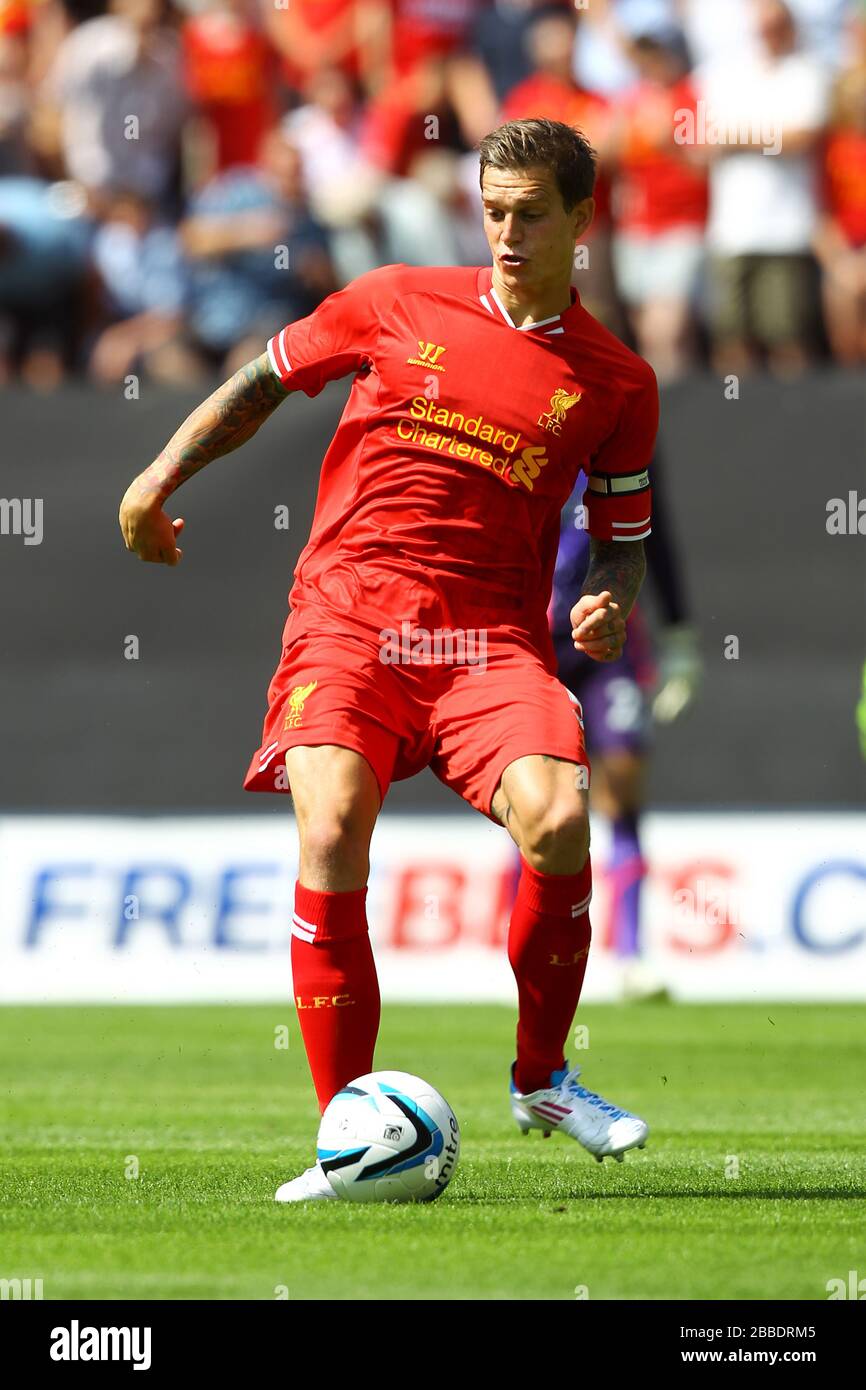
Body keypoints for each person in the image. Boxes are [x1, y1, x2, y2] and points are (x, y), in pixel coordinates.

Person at [118, 118, 657, 1201]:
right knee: (329, 822)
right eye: (492, 211)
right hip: (349, 622)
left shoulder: (614, 383)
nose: (505, 234)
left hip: (486, 644)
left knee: (556, 819)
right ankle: (343, 1130)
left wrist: (606, 603)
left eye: (529, 215)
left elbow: (622, 540)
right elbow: (263, 384)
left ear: (579, 220)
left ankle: (543, 1076)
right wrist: (156, 476)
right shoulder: (396, 297)